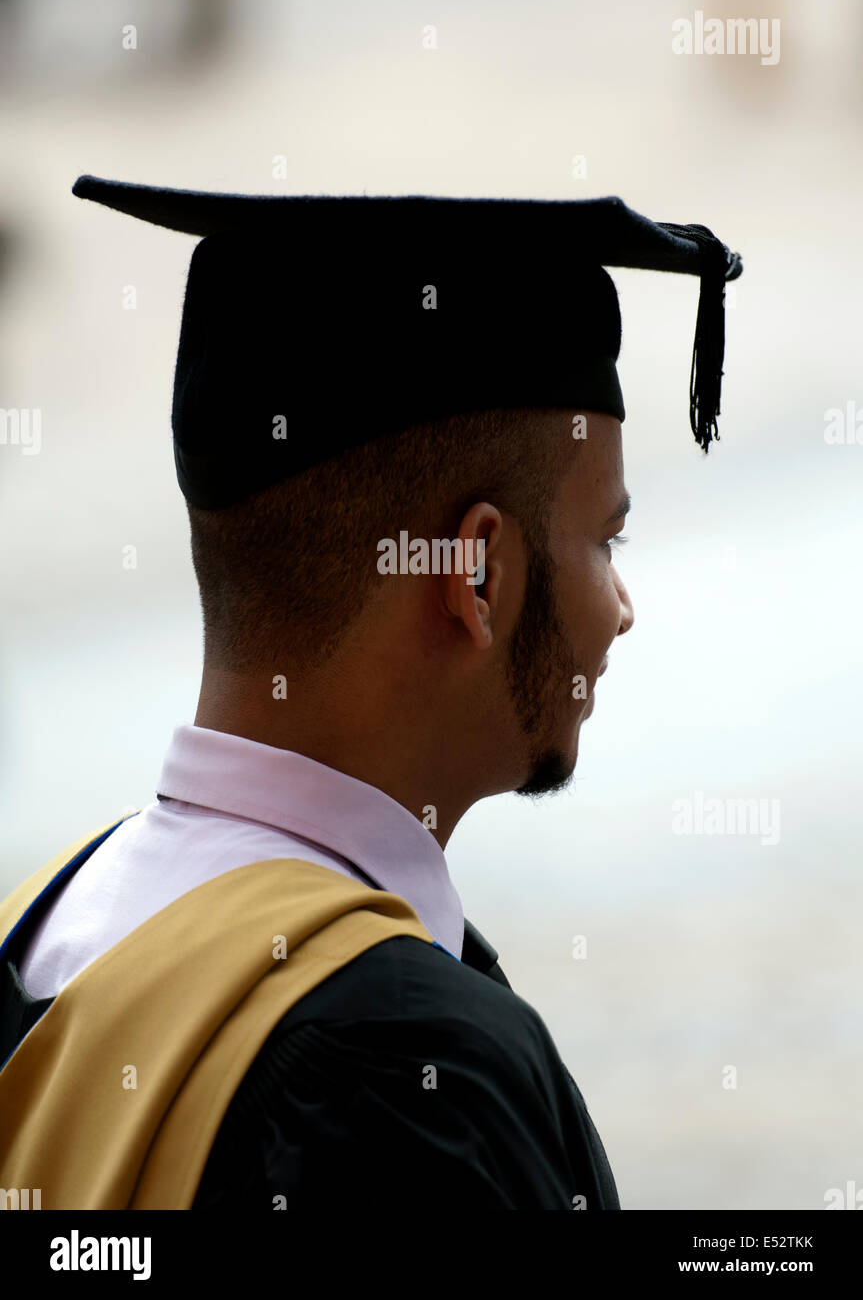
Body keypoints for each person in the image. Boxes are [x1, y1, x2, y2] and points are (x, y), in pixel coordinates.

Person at [0, 177, 742, 1209]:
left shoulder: (36, 934)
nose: (620, 606)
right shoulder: (401, 1076)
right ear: (474, 575)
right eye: (603, 538)